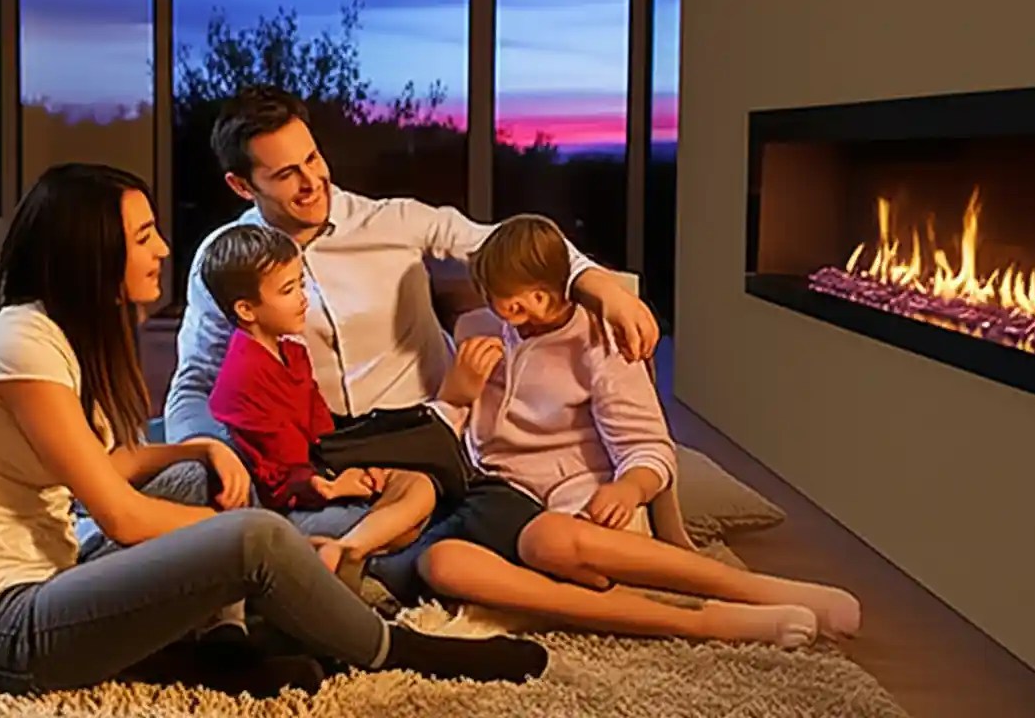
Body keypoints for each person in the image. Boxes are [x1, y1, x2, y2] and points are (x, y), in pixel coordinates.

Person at [0, 163, 549, 695]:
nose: (161, 249)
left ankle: (219, 650)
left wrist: (205, 446)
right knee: (253, 538)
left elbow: (106, 465)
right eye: (143, 236)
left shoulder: (64, 338)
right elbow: (120, 517)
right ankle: (397, 650)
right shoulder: (21, 346)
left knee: (195, 476)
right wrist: (248, 535)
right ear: (92, 252)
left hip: (56, 570)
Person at [341, 214, 864, 648]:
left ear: (560, 287)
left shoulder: (600, 339)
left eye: (535, 299)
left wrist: (629, 487)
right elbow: (447, 436)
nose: (522, 315)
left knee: (551, 543)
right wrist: (458, 392)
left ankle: (754, 591)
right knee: (445, 563)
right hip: (495, 498)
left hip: (581, 503)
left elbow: (645, 444)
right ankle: (688, 621)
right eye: (509, 303)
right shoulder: (476, 331)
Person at [164, 84, 659, 448]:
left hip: (423, 425)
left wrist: (596, 283)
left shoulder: (393, 221)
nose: (312, 181)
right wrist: (204, 451)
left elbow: (516, 243)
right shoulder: (222, 260)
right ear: (242, 186)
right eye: (287, 174)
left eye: (313, 159)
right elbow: (195, 379)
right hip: (312, 444)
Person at [203, 224, 435, 570]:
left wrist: (355, 466)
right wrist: (332, 486)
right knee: (404, 529)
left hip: (323, 472)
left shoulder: (292, 353)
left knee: (420, 484)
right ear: (246, 310)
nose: (302, 297)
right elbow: (279, 479)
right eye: (287, 290)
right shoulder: (243, 379)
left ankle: (349, 549)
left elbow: (321, 429)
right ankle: (347, 551)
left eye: (300, 283)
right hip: (292, 504)